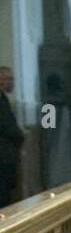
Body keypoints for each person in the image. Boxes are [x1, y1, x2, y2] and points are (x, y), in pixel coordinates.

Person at [0, 66, 23, 207]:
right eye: (9, 79)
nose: (12, 82)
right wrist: (20, 137)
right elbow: (6, 125)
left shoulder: (3, 99)